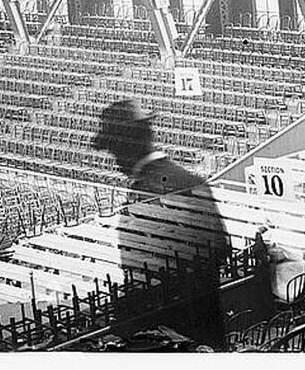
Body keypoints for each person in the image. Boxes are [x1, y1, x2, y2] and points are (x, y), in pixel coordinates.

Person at [92, 98, 230, 349]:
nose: (115, 159)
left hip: (176, 334)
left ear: (126, 146)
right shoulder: (187, 180)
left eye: (114, 149)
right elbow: (221, 248)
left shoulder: (149, 190)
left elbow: (148, 275)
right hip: (204, 327)